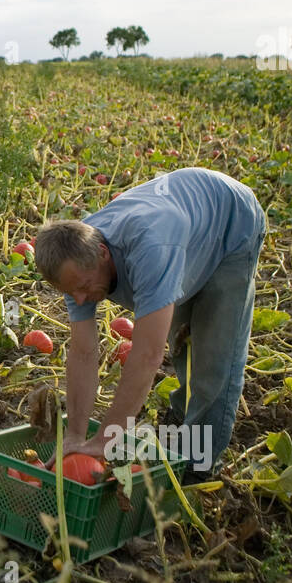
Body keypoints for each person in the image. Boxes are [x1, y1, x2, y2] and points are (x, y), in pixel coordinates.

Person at [32, 167, 266, 480]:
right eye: (70, 291)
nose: (79, 299)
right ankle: (183, 425)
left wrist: (106, 440)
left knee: (214, 362)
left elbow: (147, 355)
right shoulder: (74, 262)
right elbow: (83, 353)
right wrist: (75, 435)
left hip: (232, 222)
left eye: (85, 287)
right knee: (185, 344)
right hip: (185, 226)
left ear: (102, 254)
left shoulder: (151, 250)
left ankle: (200, 466)